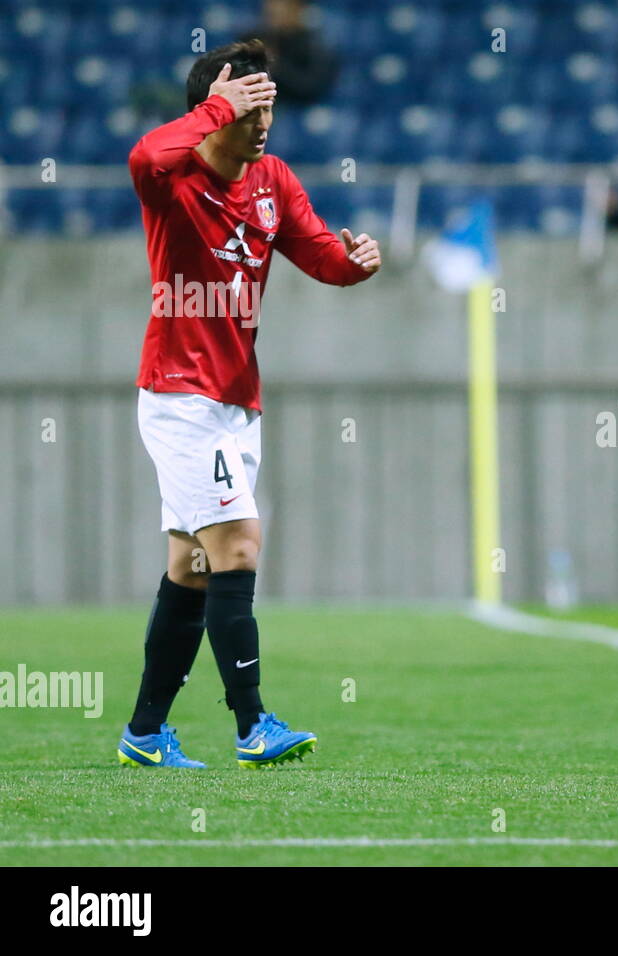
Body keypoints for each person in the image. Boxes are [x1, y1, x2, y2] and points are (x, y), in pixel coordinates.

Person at [120, 39, 381, 769]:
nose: (264, 123)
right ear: (215, 113)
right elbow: (142, 157)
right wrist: (215, 106)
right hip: (179, 395)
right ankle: (252, 724)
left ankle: (144, 733)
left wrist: (352, 265)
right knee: (238, 546)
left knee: (193, 569)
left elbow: (319, 254)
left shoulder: (273, 181)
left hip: (237, 399)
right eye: (249, 108)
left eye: (269, 107)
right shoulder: (172, 182)